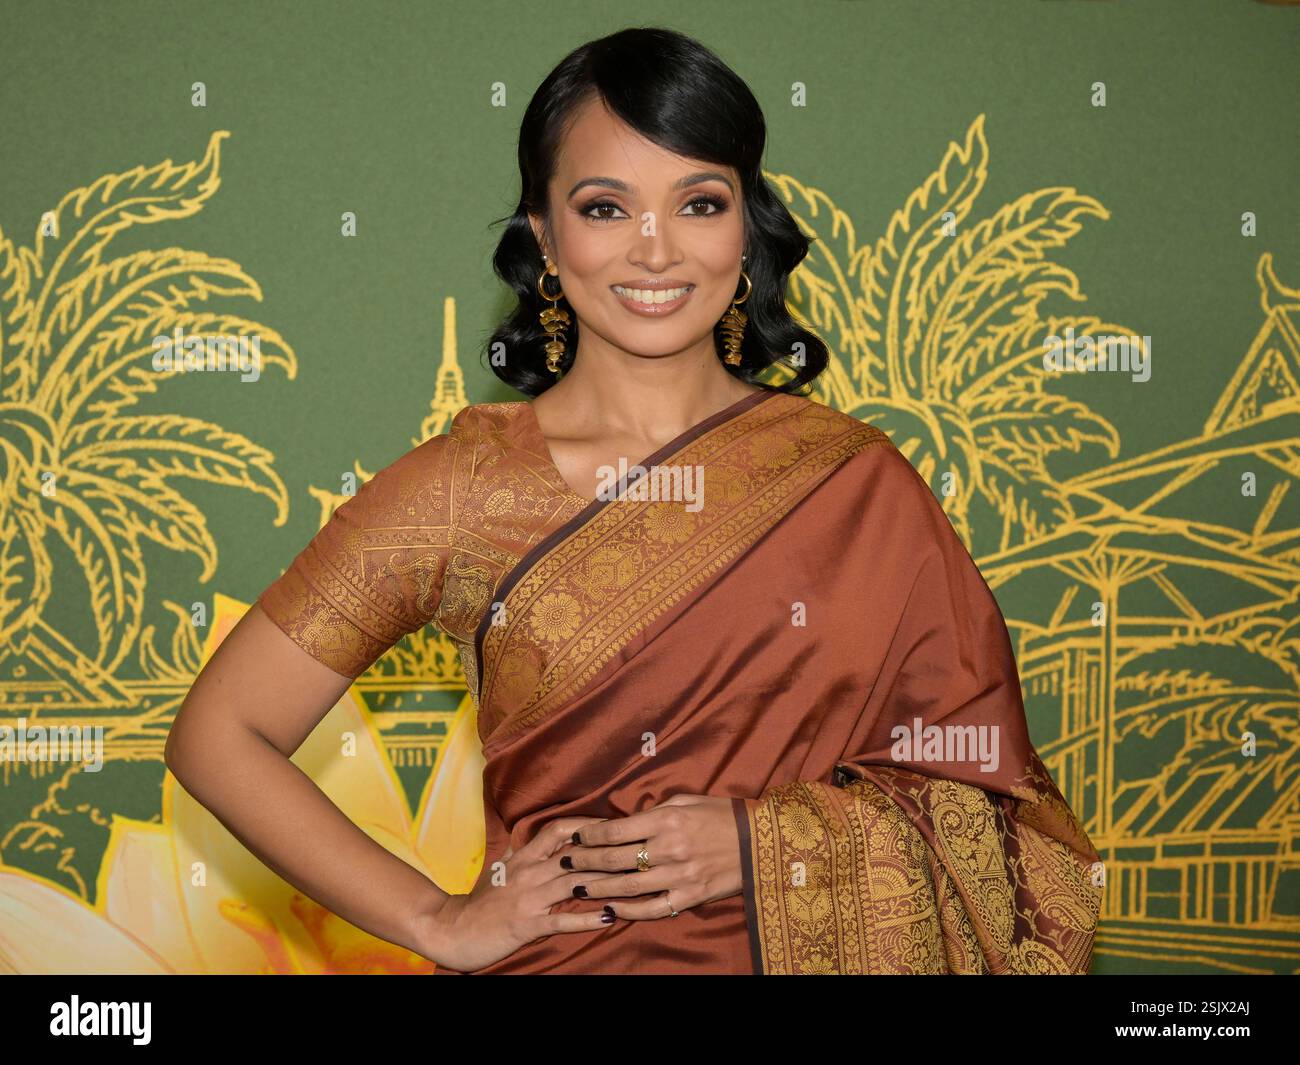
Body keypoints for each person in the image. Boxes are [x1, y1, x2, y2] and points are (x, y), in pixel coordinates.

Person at [165, 27, 1102, 975]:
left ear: (745, 228)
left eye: (698, 202)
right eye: (606, 207)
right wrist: (440, 921)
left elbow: (1001, 823)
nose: (655, 251)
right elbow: (218, 735)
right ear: (545, 237)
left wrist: (759, 844)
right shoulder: (465, 491)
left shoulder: (857, 484)